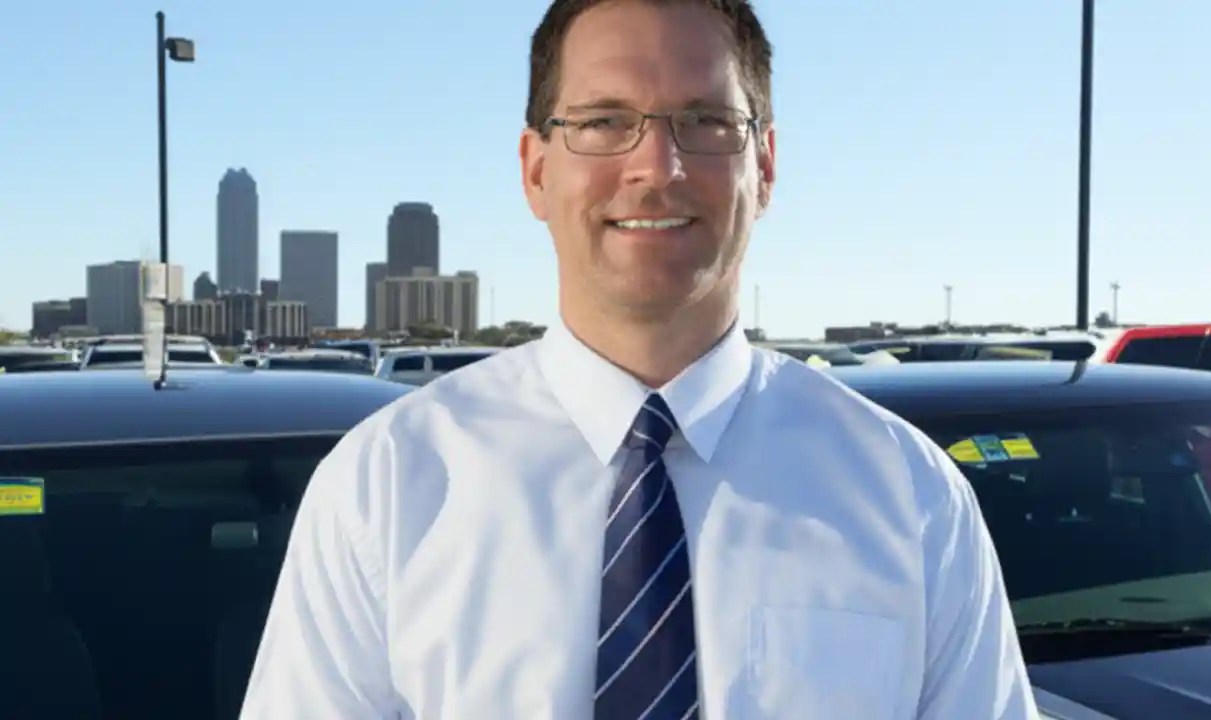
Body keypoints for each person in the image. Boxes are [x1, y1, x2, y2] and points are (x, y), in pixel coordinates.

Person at [240, 0, 1038, 718]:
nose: (657, 169)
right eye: (600, 121)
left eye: (706, 121)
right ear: (536, 168)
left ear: (764, 165)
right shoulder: (387, 484)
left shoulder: (909, 494)